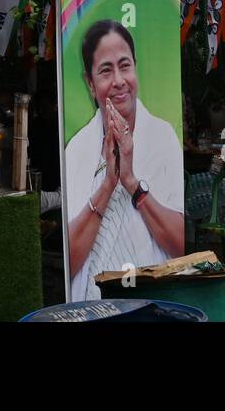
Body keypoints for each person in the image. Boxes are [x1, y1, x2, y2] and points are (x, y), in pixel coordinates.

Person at [64, 20, 184, 301]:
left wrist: (131, 183)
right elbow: (69, 260)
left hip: (153, 302)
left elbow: (180, 245)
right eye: (106, 70)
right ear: (90, 84)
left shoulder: (162, 136)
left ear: (135, 69)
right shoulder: (77, 149)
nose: (119, 80)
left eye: (125, 65)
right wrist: (108, 185)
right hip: (92, 305)